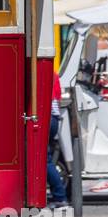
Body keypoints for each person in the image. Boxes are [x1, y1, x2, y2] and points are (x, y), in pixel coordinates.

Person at [46, 73, 68, 209]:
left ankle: (60, 196)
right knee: (45, 160)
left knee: (43, 160)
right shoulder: (53, 74)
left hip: (46, 117)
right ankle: (59, 196)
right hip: (53, 117)